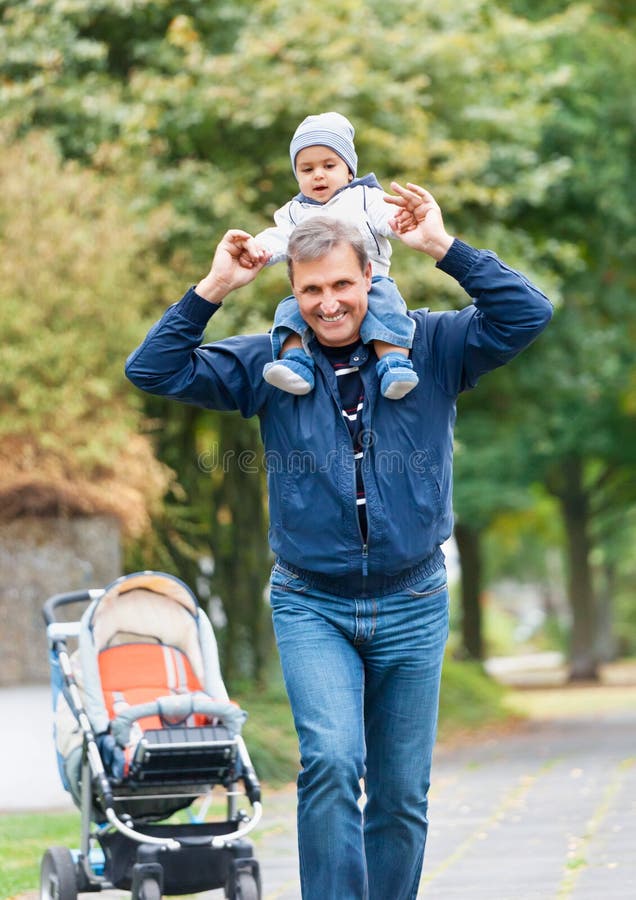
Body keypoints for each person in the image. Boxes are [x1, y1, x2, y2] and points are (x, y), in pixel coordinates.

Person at [125, 181, 553, 900]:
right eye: (313, 288)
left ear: (371, 278)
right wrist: (213, 288)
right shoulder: (270, 367)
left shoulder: (434, 345)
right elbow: (154, 368)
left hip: (413, 602)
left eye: (344, 285)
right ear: (292, 288)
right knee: (328, 760)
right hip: (311, 603)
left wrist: (442, 247)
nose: (330, 302)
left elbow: (527, 312)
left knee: (400, 793)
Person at [241, 112, 420, 400]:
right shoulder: (294, 212)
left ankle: (394, 362)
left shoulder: (363, 196)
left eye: (328, 165)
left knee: (387, 305)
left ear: (348, 170)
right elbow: (278, 237)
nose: (318, 175)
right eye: (307, 169)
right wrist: (256, 249)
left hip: (370, 283)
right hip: (316, 286)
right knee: (288, 311)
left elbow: (384, 216)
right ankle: (295, 361)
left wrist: (399, 221)